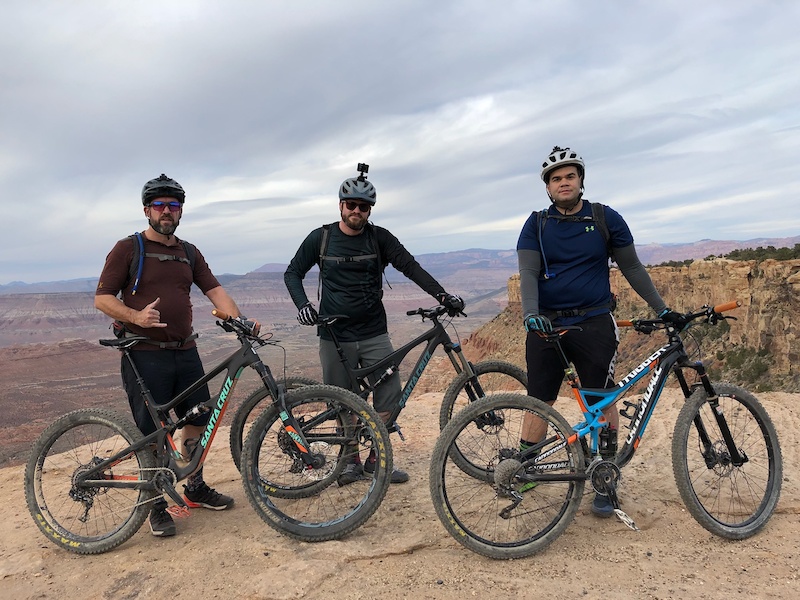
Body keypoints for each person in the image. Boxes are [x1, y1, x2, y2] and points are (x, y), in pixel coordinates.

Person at [516, 147, 681, 517]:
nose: (563, 182)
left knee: (602, 401)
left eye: (569, 176)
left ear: (580, 180)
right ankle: (525, 467)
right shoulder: (536, 224)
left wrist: (662, 309)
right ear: (547, 187)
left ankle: (605, 480)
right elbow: (528, 272)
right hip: (547, 324)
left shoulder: (606, 218)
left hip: (594, 322)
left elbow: (633, 268)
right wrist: (530, 313)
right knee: (539, 398)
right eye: (556, 178)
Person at [284, 163, 464, 485]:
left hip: (373, 333)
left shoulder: (379, 238)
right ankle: (349, 459)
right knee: (343, 399)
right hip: (334, 334)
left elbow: (411, 266)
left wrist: (442, 294)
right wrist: (304, 306)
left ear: (369, 210)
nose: (357, 210)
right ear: (341, 205)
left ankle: (375, 457)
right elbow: (292, 272)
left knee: (389, 396)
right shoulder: (321, 238)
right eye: (351, 204)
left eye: (363, 207)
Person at [95, 174, 254, 537]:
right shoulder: (128, 248)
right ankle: (154, 505)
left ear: (181, 211)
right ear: (147, 210)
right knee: (152, 431)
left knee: (199, 418)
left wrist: (241, 320)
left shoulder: (189, 252)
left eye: (174, 205)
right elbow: (102, 298)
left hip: (185, 350)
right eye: (160, 205)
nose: (167, 211)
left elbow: (215, 291)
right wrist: (135, 317)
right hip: (144, 354)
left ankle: (194, 486)